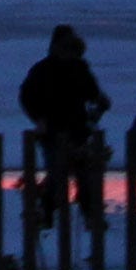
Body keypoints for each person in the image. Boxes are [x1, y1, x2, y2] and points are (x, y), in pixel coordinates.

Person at [19, 24, 109, 224]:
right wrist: (39, 119)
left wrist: (100, 102)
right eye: (64, 47)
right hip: (52, 132)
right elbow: (26, 97)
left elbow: (93, 93)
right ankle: (47, 214)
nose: (68, 52)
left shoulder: (80, 68)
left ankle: (91, 217)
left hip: (78, 131)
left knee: (85, 176)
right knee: (57, 174)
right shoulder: (42, 70)